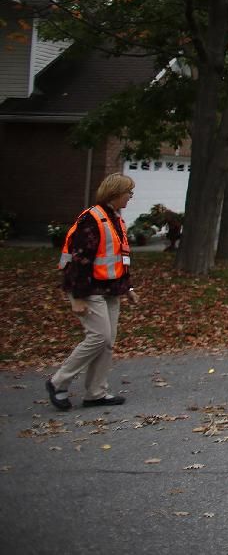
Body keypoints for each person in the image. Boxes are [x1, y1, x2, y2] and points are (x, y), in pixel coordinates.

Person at [46, 173, 138, 410]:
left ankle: (96, 392)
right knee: (99, 337)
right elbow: (79, 260)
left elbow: (120, 257)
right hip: (88, 289)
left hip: (109, 288)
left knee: (107, 342)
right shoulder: (92, 219)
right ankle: (58, 382)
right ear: (116, 193)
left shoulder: (116, 219)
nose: (130, 197)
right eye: (128, 192)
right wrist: (76, 297)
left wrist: (127, 287)